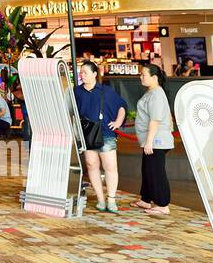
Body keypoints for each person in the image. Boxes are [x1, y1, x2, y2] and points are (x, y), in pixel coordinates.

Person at [74, 61, 127, 212]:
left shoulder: (105, 90)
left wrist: (117, 122)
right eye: (81, 72)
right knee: (91, 164)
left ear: (94, 74)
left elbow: (121, 105)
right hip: (88, 134)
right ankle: (100, 199)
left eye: (85, 72)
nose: (82, 75)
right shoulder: (77, 92)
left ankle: (111, 199)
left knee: (110, 166)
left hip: (106, 133)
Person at [134, 62, 174, 216]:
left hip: (157, 141)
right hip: (150, 140)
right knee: (147, 170)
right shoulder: (151, 92)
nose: (141, 77)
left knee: (156, 172)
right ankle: (146, 199)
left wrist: (149, 141)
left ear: (154, 77)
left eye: (143, 75)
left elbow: (155, 120)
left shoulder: (157, 94)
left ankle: (163, 204)